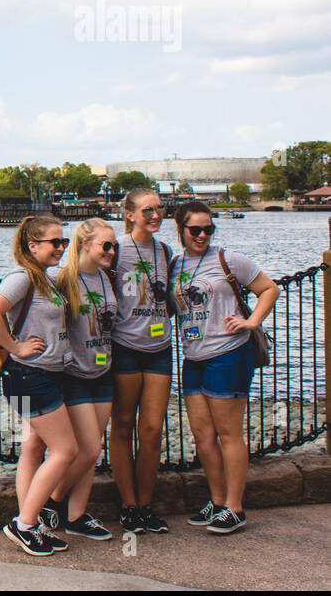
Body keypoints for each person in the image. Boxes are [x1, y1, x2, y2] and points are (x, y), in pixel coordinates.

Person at [173, 200, 278, 534]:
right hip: (194, 357)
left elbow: (268, 289)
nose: (202, 235)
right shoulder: (174, 264)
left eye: (208, 229)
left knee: (229, 433)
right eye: (195, 230)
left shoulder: (228, 259)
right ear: (181, 230)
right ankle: (217, 502)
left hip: (229, 353)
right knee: (203, 436)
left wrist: (251, 322)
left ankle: (235, 506)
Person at [0, 214, 77, 556]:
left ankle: (30, 520)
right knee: (67, 450)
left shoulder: (45, 279)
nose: (61, 247)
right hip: (29, 376)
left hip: (45, 374)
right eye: (55, 242)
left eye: (63, 241)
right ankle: (22, 525)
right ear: (32, 245)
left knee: (35, 446)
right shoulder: (21, 278)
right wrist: (15, 346)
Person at [42, 217, 119, 540]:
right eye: (106, 245)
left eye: (114, 246)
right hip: (74, 373)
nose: (112, 252)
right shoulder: (65, 280)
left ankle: (77, 515)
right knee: (89, 449)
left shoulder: (107, 277)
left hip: (103, 370)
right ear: (85, 244)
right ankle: (52, 502)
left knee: (92, 452)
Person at [110, 188, 175, 534]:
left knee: (152, 430)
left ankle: (146, 505)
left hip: (159, 347)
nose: (156, 215)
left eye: (159, 209)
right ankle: (128, 504)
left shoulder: (165, 251)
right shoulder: (117, 250)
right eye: (147, 210)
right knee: (122, 426)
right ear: (130, 214)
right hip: (124, 346)